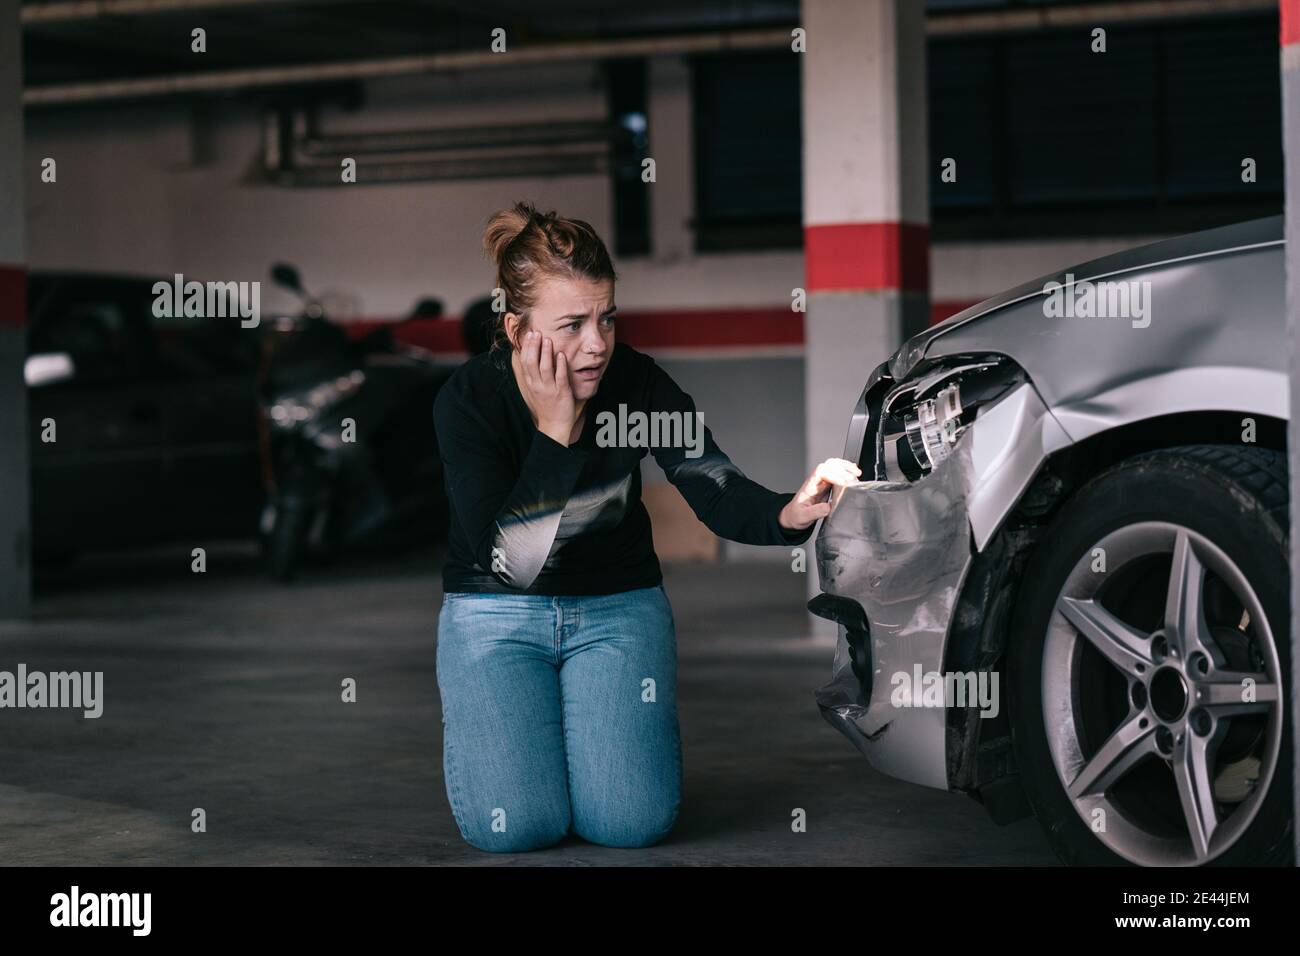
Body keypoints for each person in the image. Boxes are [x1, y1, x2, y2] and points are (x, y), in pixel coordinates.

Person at [433, 201, 861, 852]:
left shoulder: (636, 384)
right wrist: (556, 430)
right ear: (517, 330)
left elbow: (713, 485)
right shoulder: (469, 402)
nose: (598, 343)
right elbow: (512, 565)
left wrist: (788, 511)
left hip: (615, 609)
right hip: (495, 615)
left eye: (607, 317)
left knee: (630, 825)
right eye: (572, 325)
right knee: (514, 829)